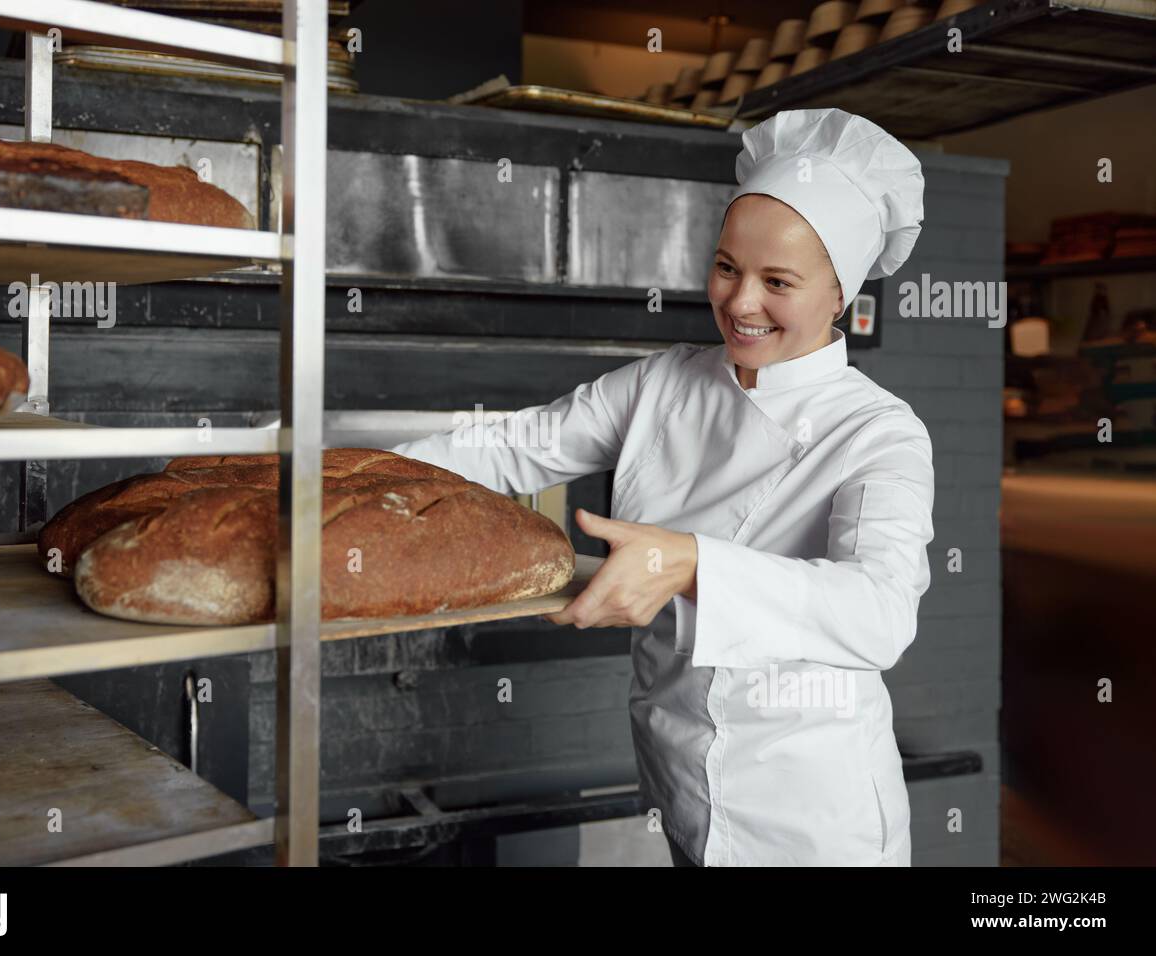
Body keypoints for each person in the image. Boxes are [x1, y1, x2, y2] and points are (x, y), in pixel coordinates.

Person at [387, 108, 933, 867]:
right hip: (679, 782)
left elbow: (879, 614)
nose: (740, 303)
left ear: (839, 294)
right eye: (725, 267)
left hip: (814, 819)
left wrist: (691, 563)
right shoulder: (664, 383)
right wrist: (342, 483)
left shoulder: (879, 432)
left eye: (777, 282)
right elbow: (512, 448)